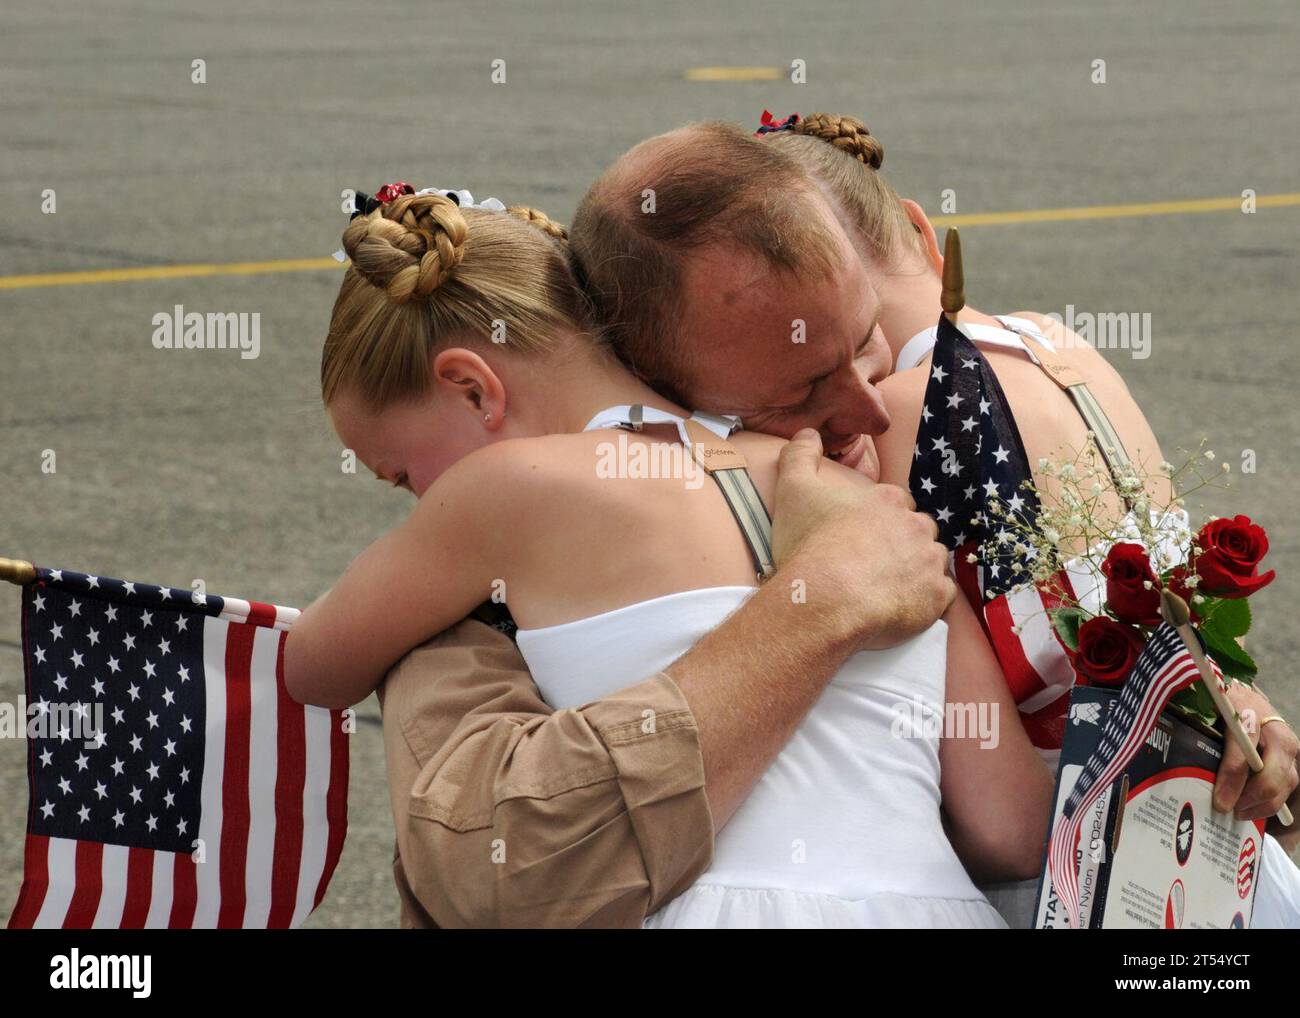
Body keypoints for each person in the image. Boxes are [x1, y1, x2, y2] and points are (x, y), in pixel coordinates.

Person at [569, 114, 1300, 925]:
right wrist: (1251, 711)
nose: (862, 406)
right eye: (797, 383)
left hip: (1086, 885)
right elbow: (1177, 619)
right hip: (1217, 859)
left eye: (862, 339)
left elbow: (1000, 820)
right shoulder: (1063, 351)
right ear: (920, 229)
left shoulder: (883, 430)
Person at [284, 187, 1053, 927]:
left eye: (402, 475)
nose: (421, 501)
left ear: (472, 389)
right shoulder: (869, 506)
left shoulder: (503, 489)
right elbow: (1010, 828)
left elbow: (314, 665)